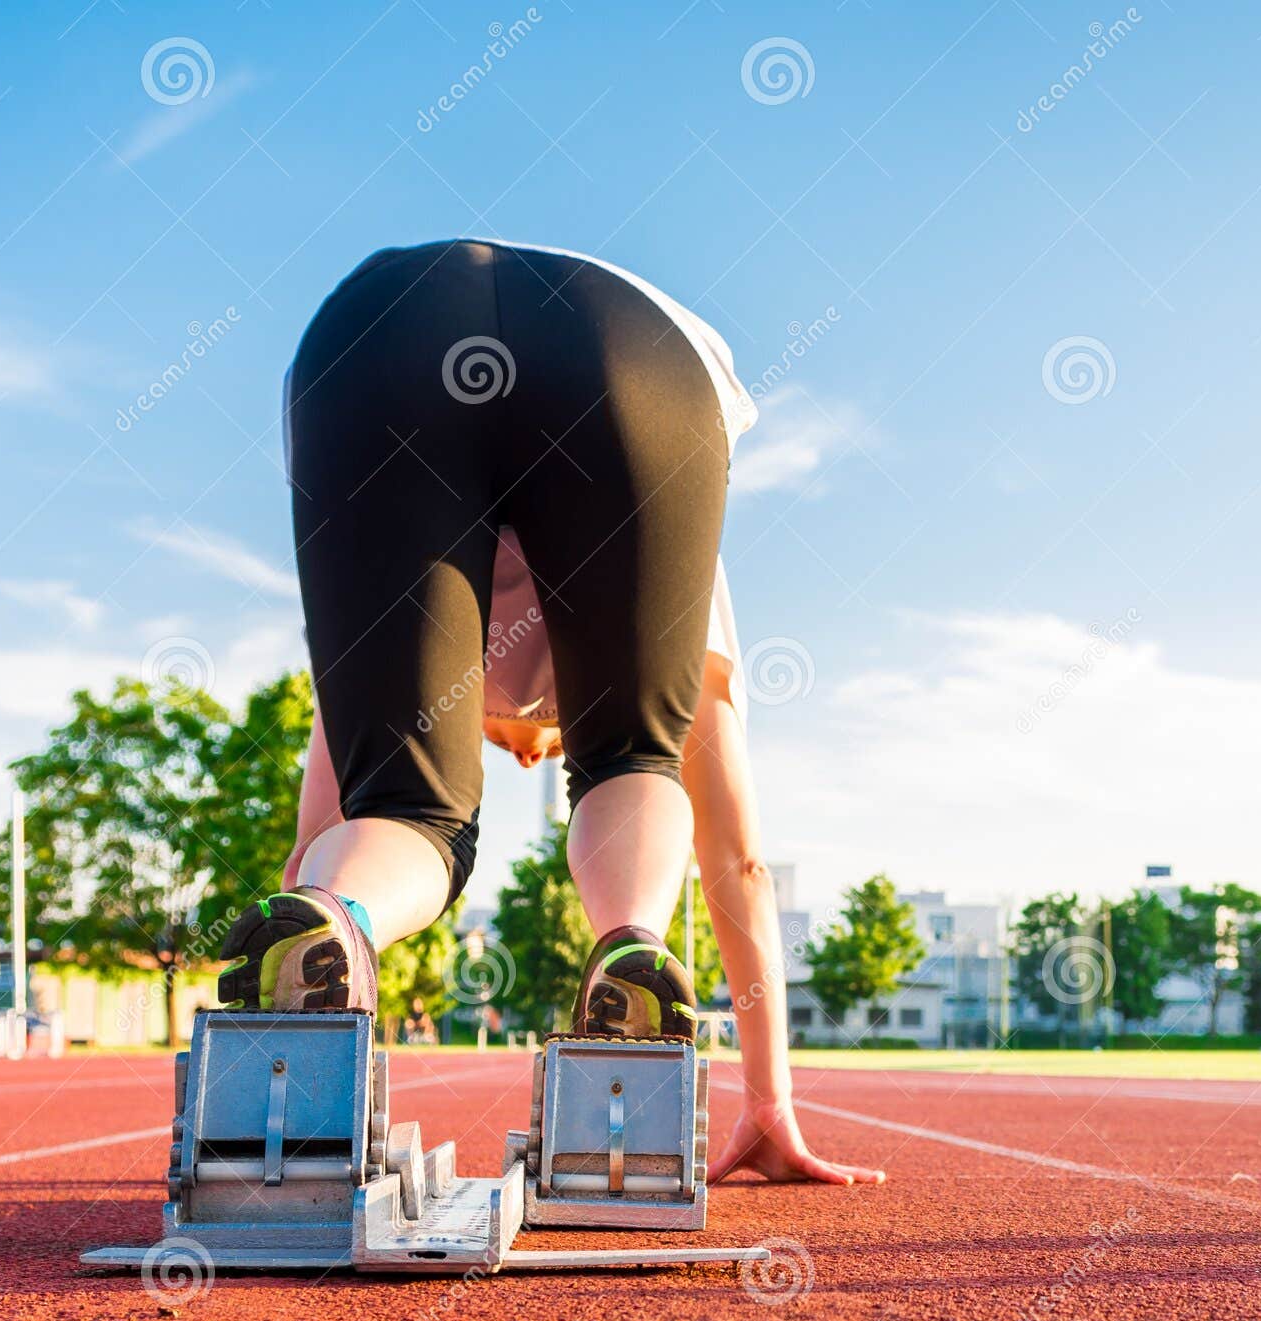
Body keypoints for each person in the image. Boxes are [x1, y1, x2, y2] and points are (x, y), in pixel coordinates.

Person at [218, 239, 881, 1186]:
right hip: (629, 346)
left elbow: (322, 833)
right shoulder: (664, 605)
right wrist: (768, 1100)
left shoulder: (411, 654)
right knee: (630, 765)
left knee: (405, 811)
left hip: (375, 336)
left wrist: (329, 916)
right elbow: (737, 860)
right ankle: (632, 942)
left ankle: (353, 915)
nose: (528, 759)